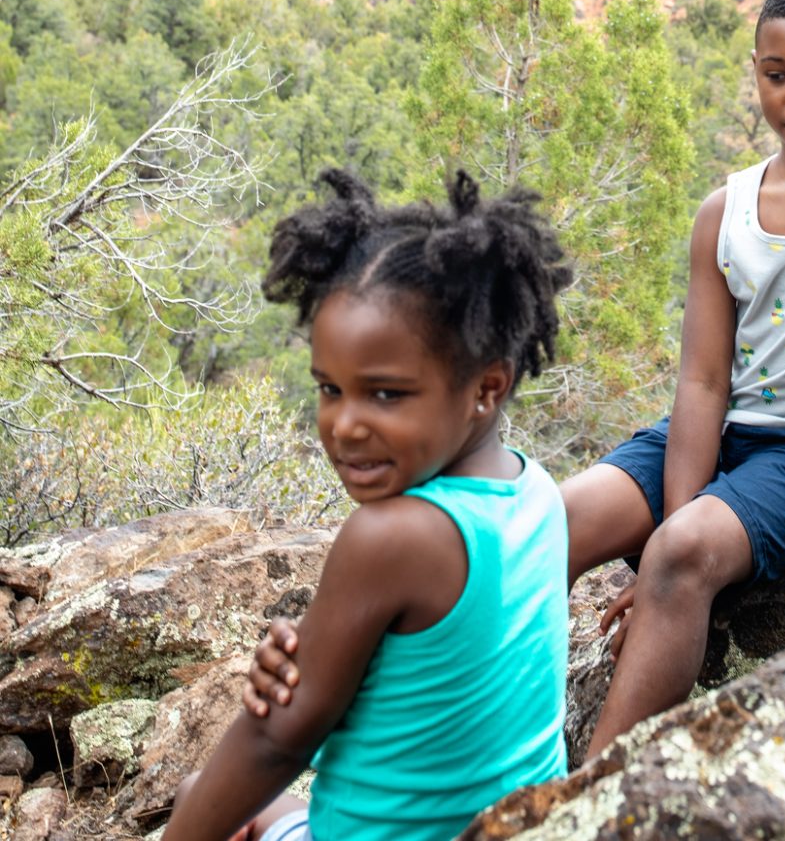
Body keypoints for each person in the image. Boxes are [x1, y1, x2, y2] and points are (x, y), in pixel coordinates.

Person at [246, 0, 785, 766]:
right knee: (541, 526)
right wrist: (686, 504)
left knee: (683, 559)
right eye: (776, 75)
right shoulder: (727, 210)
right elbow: (704, 385)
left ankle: (579, 803)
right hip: (713, 437)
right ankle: (420, 735)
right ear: (754, 71)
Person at [164, 168, 574, 841]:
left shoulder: (392, 536)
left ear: (486, 388)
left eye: (385, 394)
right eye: (330, 389)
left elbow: (276, 743)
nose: (345, 425)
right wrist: (316, 658)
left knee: (196, 806)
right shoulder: (537, 493)